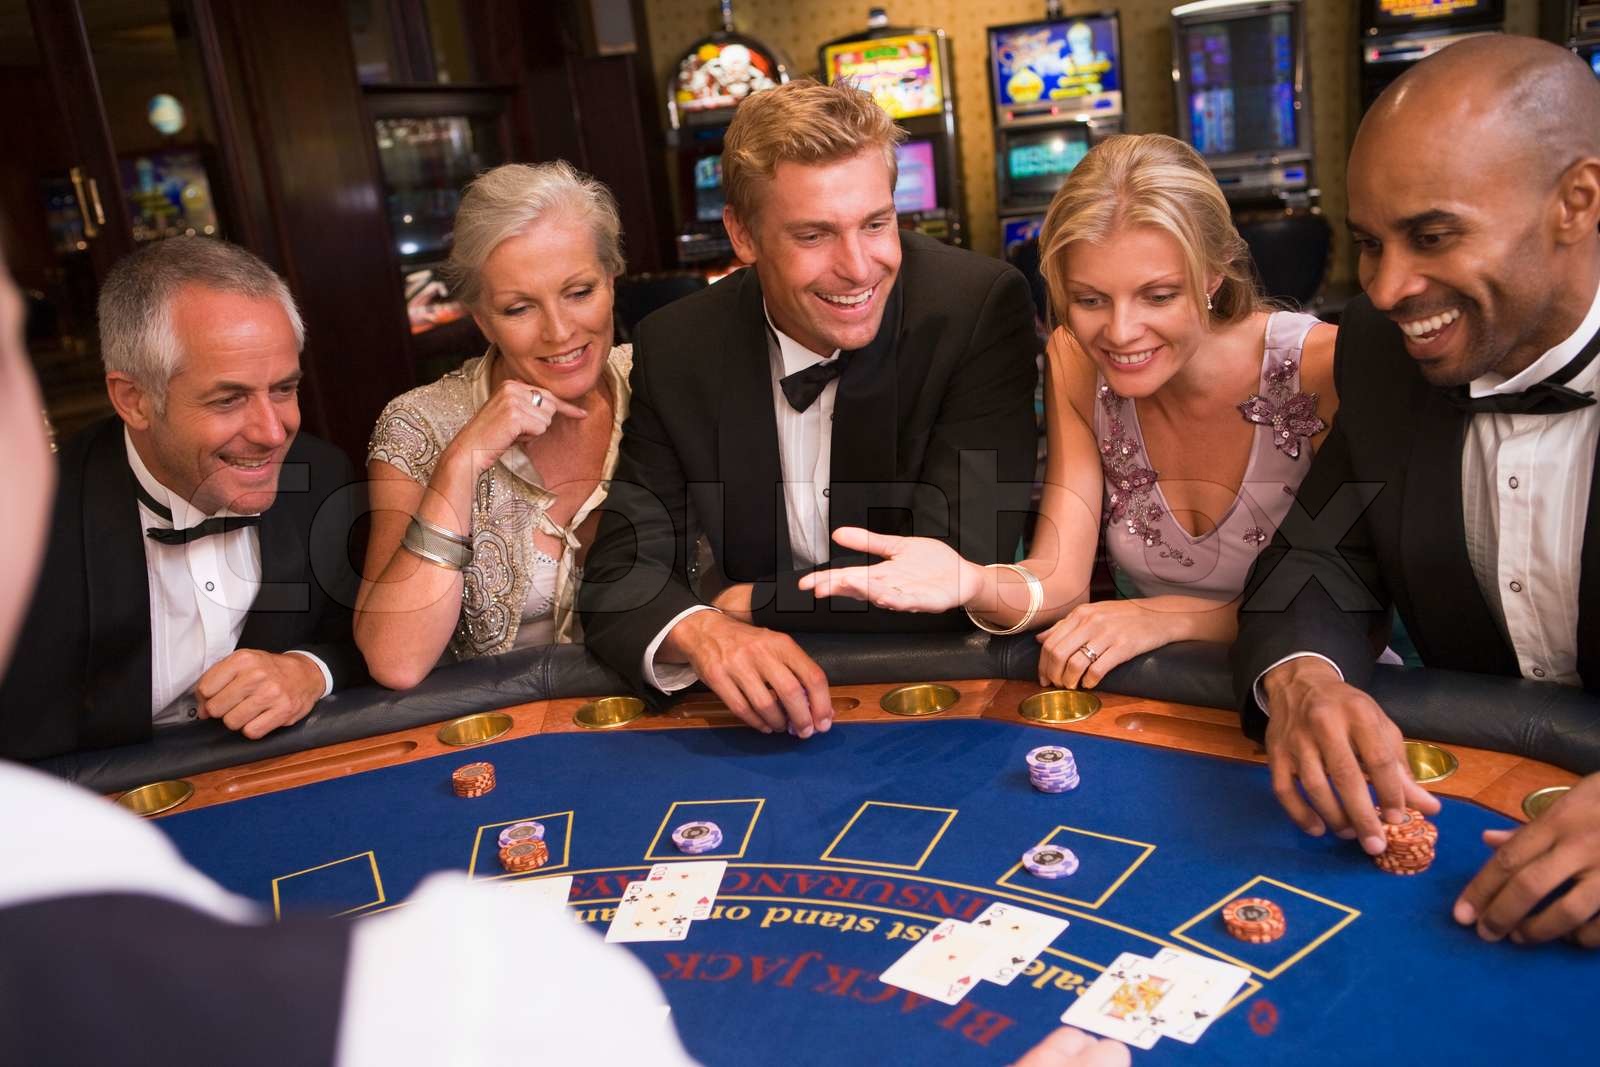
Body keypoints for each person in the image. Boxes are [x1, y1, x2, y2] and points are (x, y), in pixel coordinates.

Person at [1232, 35, 1600, 949]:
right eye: (1368, 243)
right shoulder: (1380, 353)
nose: (1389, 287)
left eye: (1433, 236)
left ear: (1577, 202)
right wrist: (1305, 681)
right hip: (1465, 849)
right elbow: (1316, 557)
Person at [579, 79, 1040, 737]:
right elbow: (620, 572)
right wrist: (706, 630)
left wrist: (757, 604)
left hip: (941, 691)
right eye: (814, 234)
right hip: (768, 709)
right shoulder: (680, 344)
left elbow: (951, 565)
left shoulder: (973, 309)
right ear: (742, 233)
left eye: (877, 224)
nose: (859, 267)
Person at [800, 134, 1337, 692]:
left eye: (1158, 296)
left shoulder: (1322, 367)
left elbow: (1352, 601)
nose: (1121, 333)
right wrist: (972, 583)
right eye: (1090, 300)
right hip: (1171, 690)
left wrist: (1167, 618)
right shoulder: (1077, 361)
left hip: (1312, 690)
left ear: (1214, 273)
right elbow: (1060, 579)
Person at [0, 238, 365, 761]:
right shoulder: (29, 526)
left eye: (283, 389)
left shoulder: (321, 473)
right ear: (135, 400)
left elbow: (356, 631)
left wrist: (310, 671)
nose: (272, 431)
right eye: (229, 398)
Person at [356, 162, 631, 688]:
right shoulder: (420, 425)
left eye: (579, 292)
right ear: (482, 319)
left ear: (612, 281)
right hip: (505, 739)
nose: (559, 330)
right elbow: (395, 660)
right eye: (519, 308)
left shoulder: (663, 379)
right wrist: (464, 459)